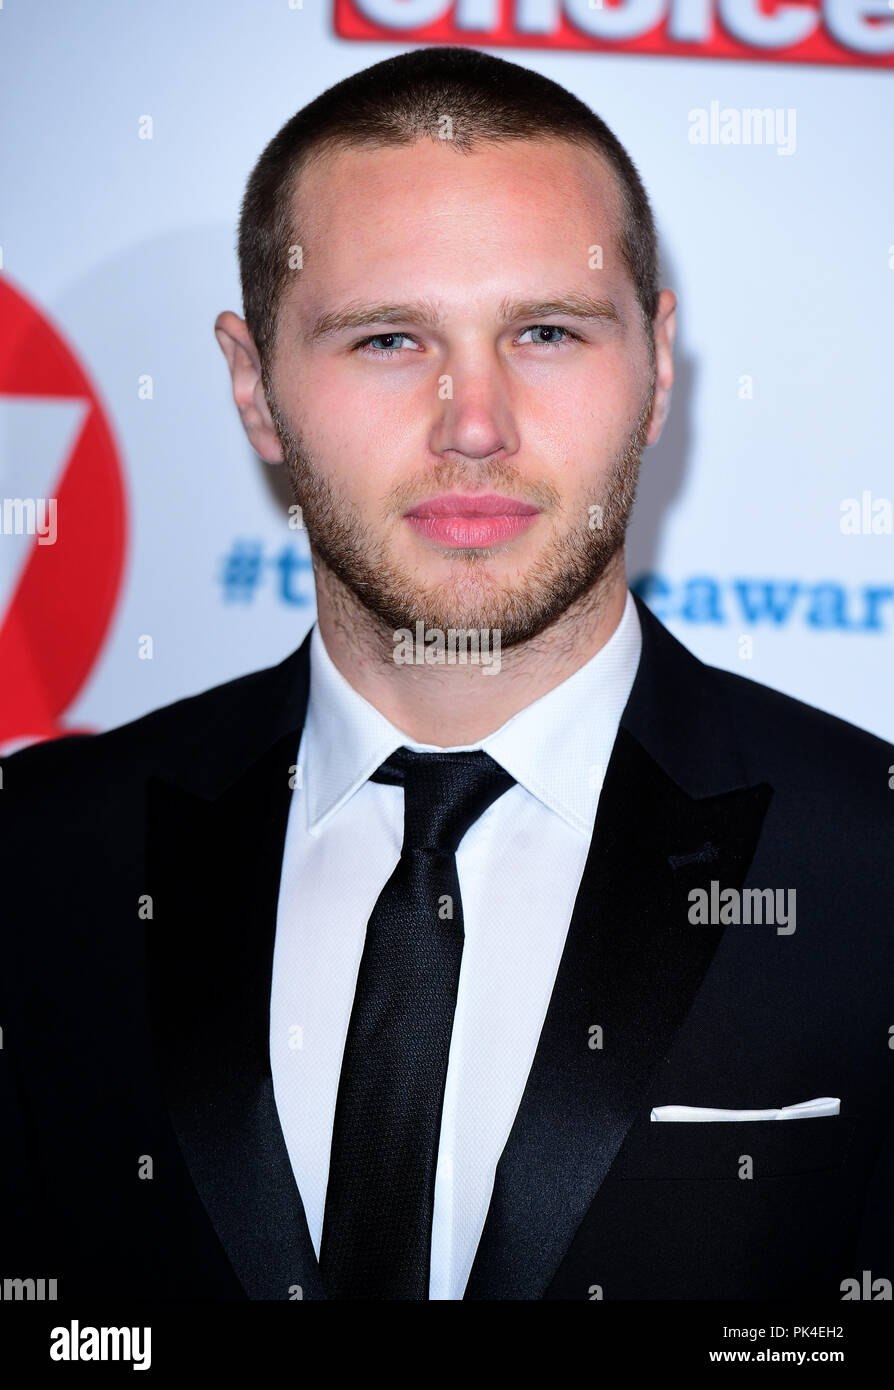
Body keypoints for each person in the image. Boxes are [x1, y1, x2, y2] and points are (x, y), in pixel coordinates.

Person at [1, 46, 891, 1303]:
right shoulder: (39, 858)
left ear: (657, 363)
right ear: (254, 388)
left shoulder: (872, 865)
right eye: (383, 338)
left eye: (544, 330)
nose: (474, 423)